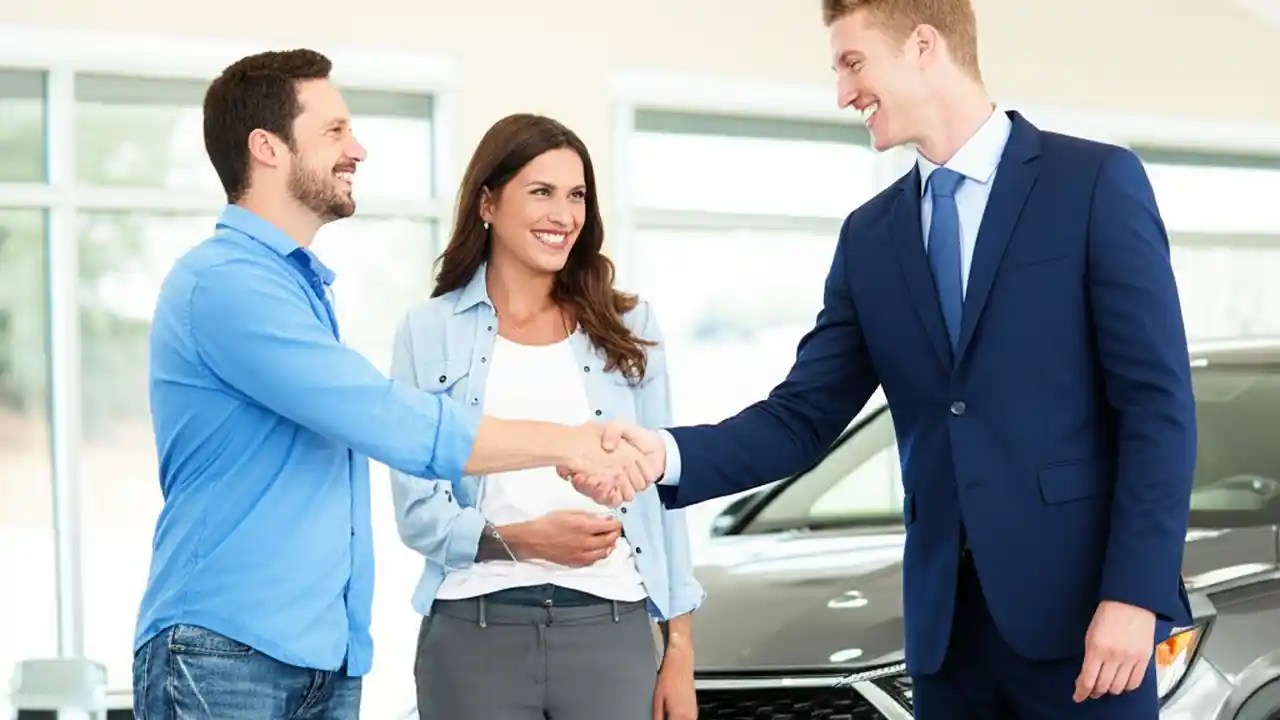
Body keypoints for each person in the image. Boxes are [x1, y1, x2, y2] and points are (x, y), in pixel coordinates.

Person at [574, 1, 1197, 717]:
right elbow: (801, 418)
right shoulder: (871, 237)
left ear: (924, 45)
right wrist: (662, 455)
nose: (843, 93)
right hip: (944, 643)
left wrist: (1133, 594)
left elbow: (1157, 408)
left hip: (1087, 628)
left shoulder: (1092, 184)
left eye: (852, 63)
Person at [131, 50, 653, 719]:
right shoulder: (227, 284)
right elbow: (390, 421)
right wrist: (570, 444)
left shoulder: (295, 286)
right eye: (334, 131)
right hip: (225, 650)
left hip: (316, 657)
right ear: (267, 148)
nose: (358, 149)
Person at [388, 113, 703, 720]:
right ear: (487, 202)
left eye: (576, 195)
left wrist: (680, 650)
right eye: (541, 192)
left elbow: (670, 491)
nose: (564, 214)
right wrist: (521, 543)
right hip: (473, 629)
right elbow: (416, 507)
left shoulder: (629, 327)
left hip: (612, 625)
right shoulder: (428, 332)